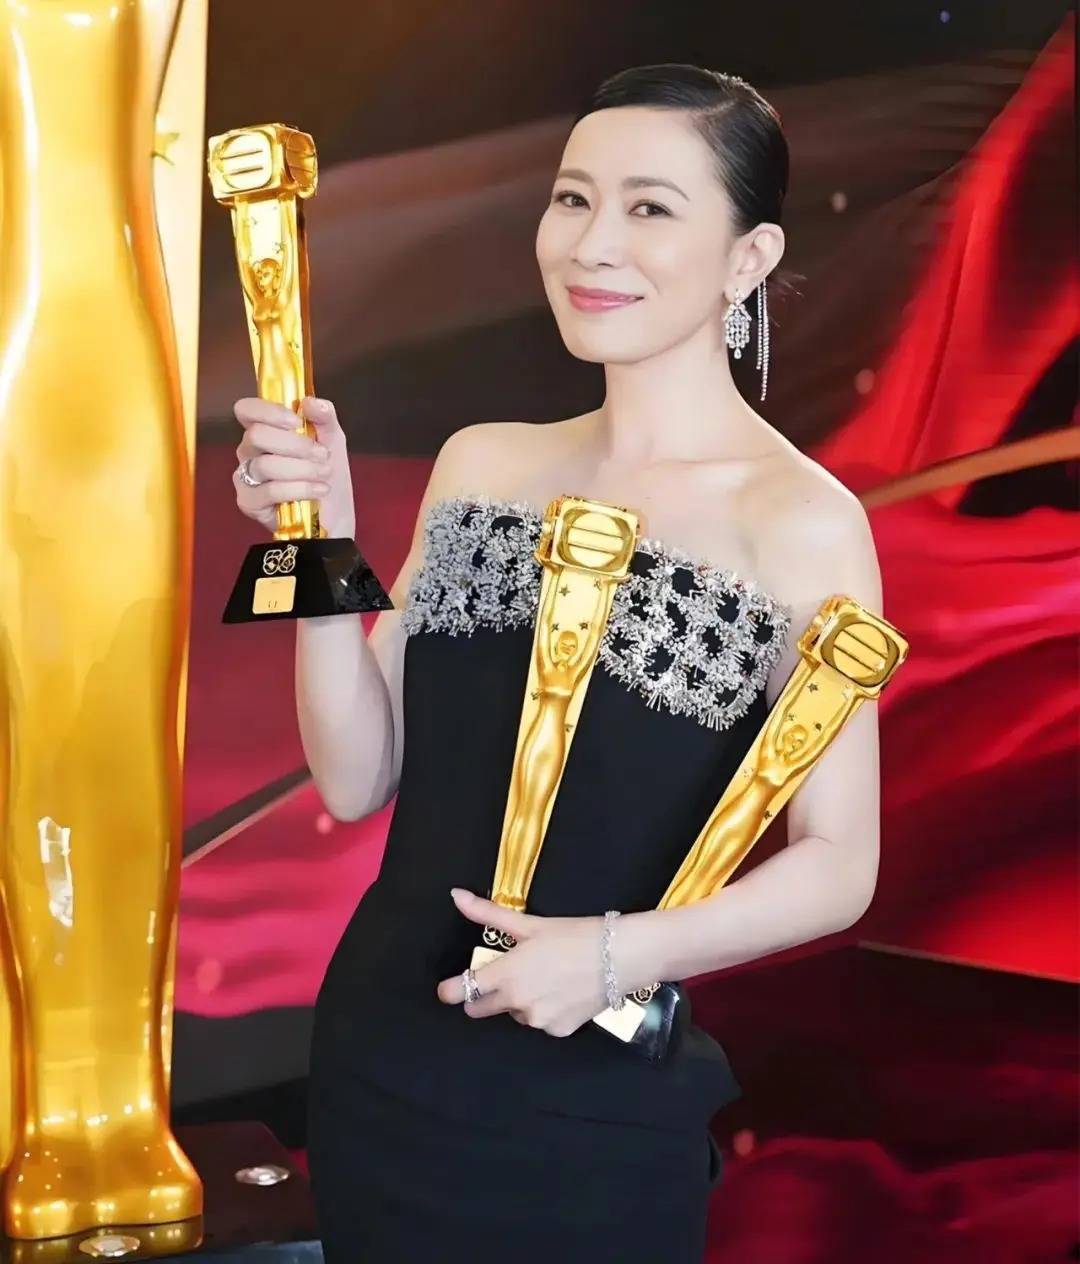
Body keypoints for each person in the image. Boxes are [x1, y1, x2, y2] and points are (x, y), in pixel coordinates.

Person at [231, 63, 883, 1263]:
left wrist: (613, 955)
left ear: (748, 257)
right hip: (380, 1065)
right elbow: (357, 777)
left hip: (590, 1103)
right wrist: (318, 539)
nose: (592, 242)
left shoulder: (802, 522)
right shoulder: (483, 461)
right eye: (573, 198)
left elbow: (841, 863)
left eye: (650, 207)